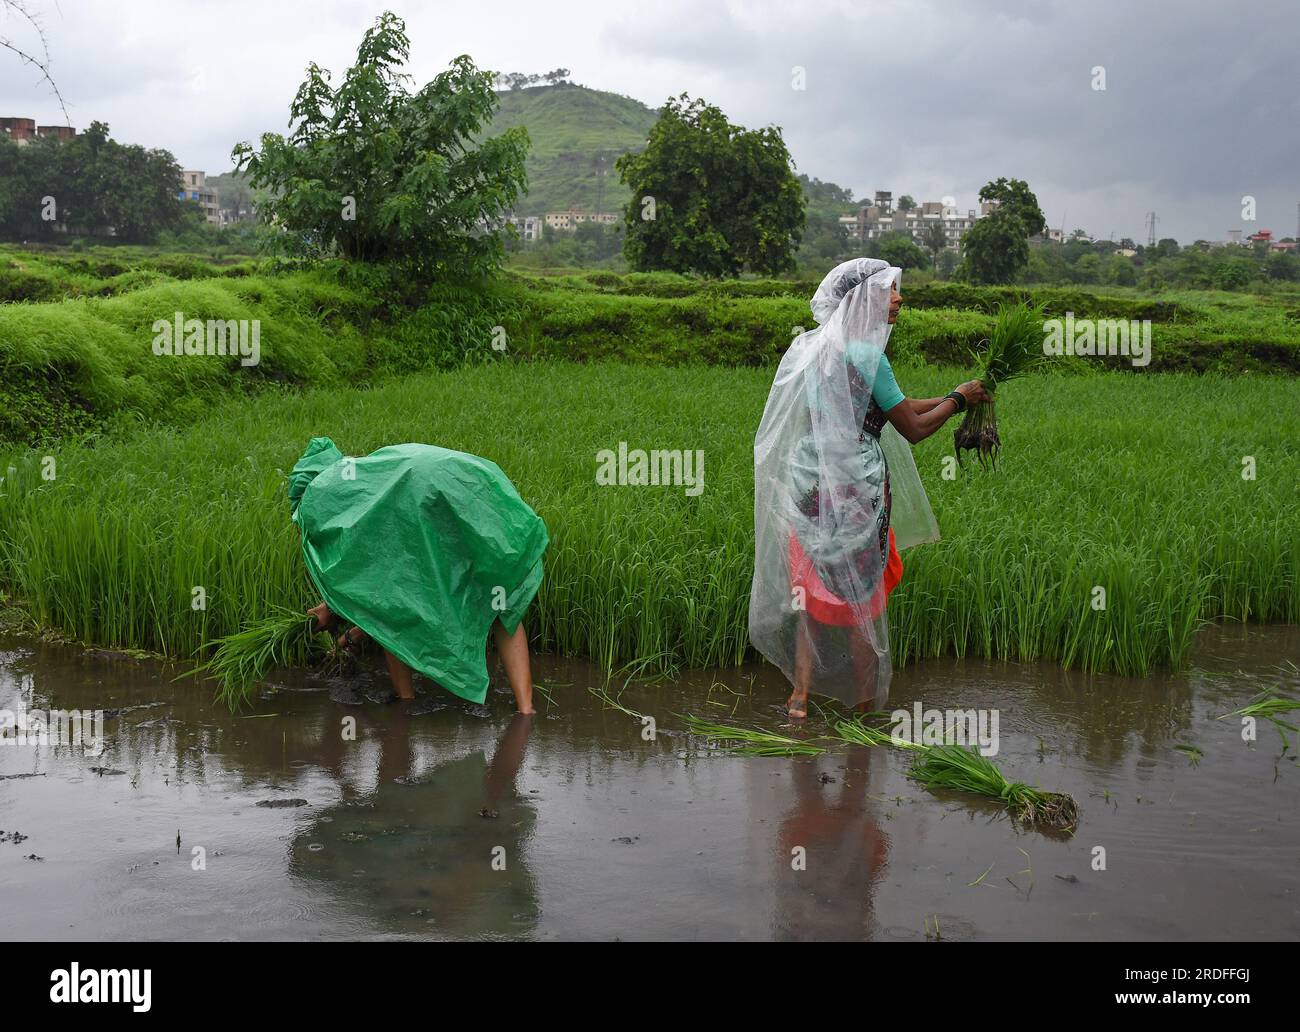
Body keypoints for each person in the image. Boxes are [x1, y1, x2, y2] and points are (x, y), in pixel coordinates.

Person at [749, 258, 987, 719]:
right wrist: (959, 399)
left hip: (813, 482)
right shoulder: (868, 354)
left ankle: (799, 698)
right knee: (861, 596)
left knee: (813, 592)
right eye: (890, 291)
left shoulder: (818, 347)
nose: (899, 299)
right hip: (853, 490)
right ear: (863, 299)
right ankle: (863, 709)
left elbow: (892, 403)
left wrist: (950, 398)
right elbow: (913, 429)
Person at [287, 437, 548, 714]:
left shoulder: (326, 501)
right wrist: (347, 634)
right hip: (466, 479)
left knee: (392, 610)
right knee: (498, 596)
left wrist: (334, 610)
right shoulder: (367, 476)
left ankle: (406, 703)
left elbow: (381, 596)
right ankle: (525, 709)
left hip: (423, 494)